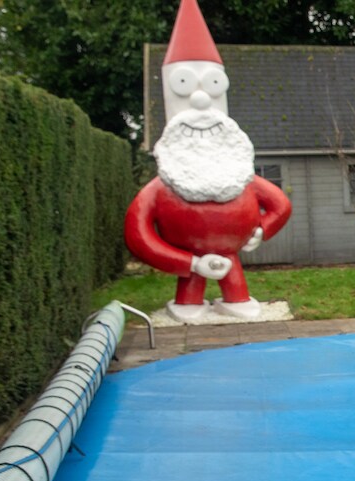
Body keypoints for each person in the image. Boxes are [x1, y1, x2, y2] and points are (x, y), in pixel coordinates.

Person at [124, 0, 291, 323]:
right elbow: (138, 234)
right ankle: (190, 299)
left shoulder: (239, 174)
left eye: (213, 86)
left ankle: (234, 297)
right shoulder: (162, 186)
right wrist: (189, 263)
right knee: (193, 286)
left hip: (232, 252)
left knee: (234, 283)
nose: (200, 99)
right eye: (184, 86)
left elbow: (280, 205)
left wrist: (261, 229)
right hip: (191, 258)